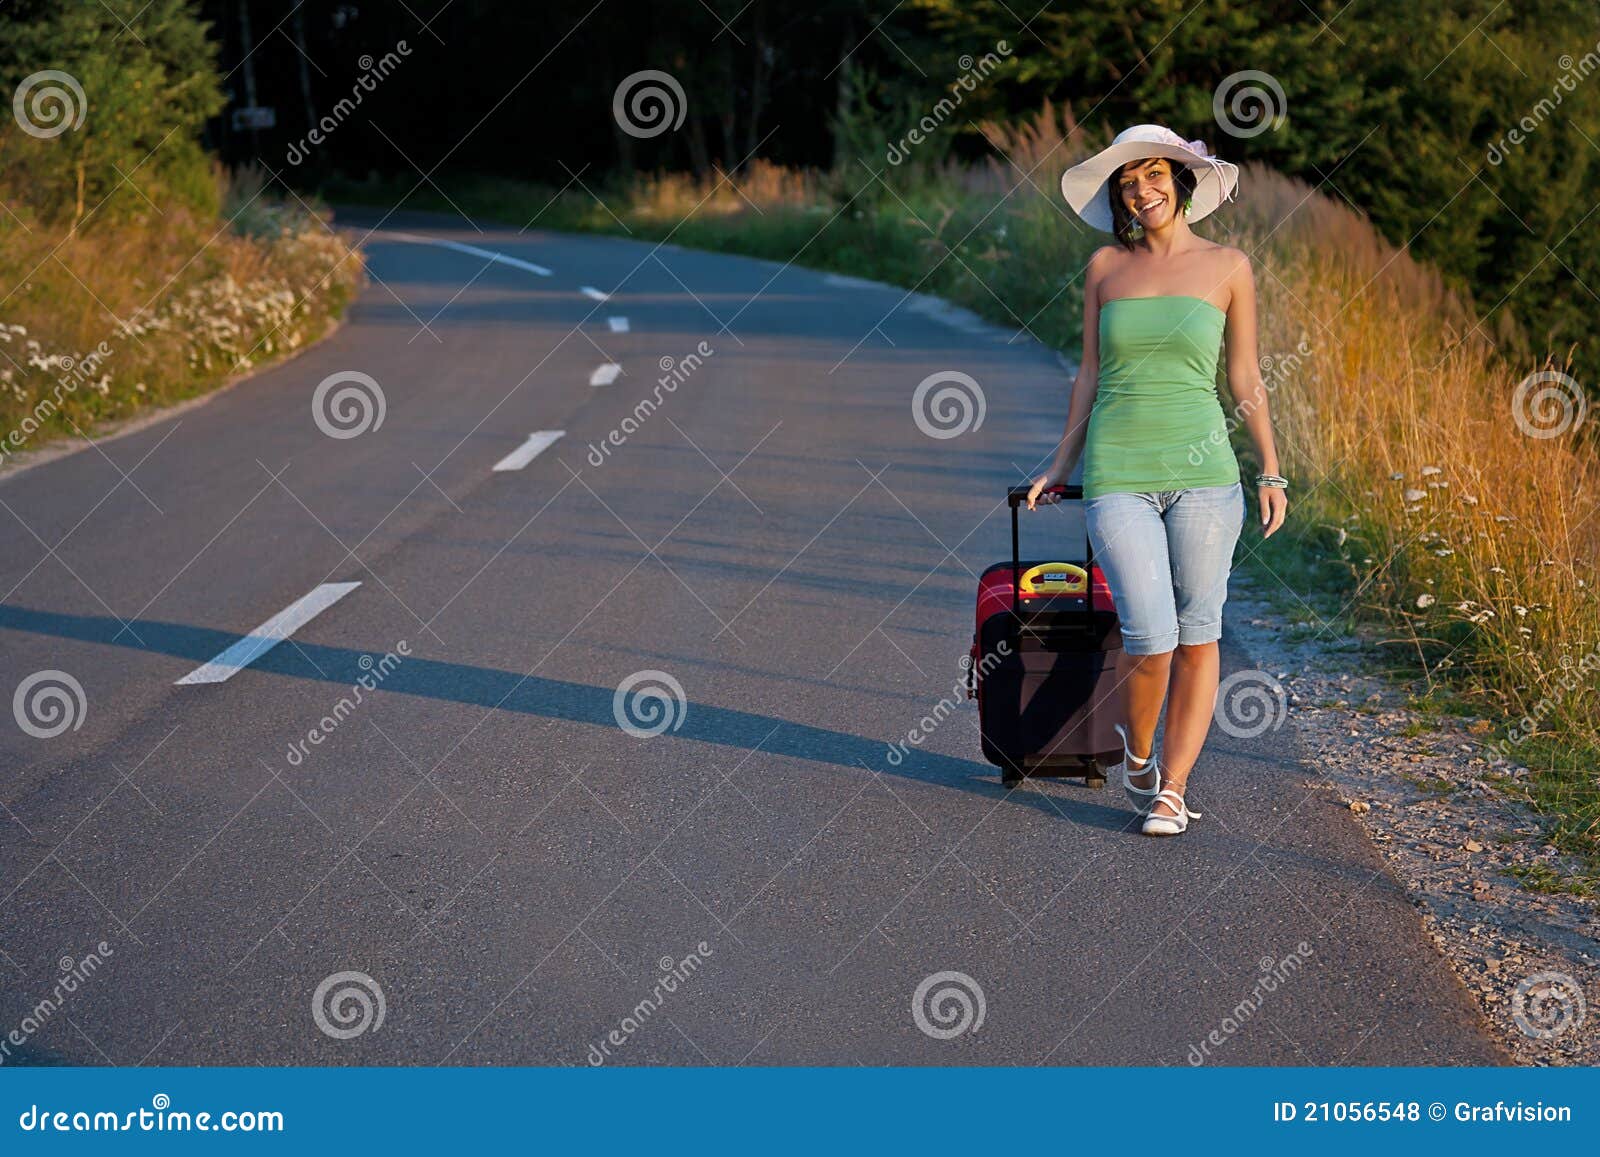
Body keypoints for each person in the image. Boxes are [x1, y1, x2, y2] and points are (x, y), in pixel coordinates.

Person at [1026, 123, 1288, 836]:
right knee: (1150, 633)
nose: (1141, 192)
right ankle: (1137, 751)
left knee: (1200, 633)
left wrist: (1271, 467)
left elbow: (1244, 376)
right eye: (1127, 183)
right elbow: (1089, 374)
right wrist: (1060, 465)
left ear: (1180, 180)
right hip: (1119, 473)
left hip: (1206, 476)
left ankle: (1171, 789)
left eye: (1151, 176)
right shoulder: (1105, 267)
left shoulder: (1228, 265)